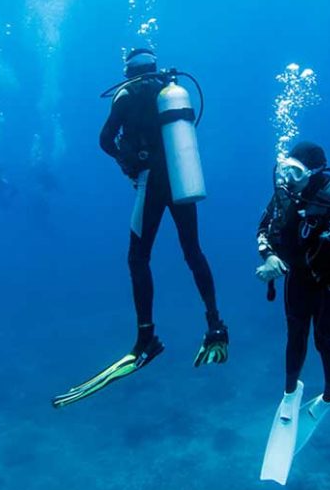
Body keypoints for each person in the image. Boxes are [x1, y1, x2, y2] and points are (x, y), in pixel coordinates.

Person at [50, 48, 228, 408]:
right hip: (181, 179)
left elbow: (104, 140)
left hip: (153, 183)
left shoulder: (127, 94)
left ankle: (146, 338)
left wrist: (127, 161)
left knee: (137, 259)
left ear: (128, 70)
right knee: (193, 252)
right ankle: (215, 325)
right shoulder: (170, 89)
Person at [257, 141, 330, 483]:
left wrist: (284, 259)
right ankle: (290, 393)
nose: (288, 177)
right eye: (286, 167)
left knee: (325, 340)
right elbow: (264, 228)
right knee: (295, 334)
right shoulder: (285, 194)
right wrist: (269, 256)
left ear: (314, 173)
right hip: (298, 277)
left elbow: (324, 253)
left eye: (297, 172)